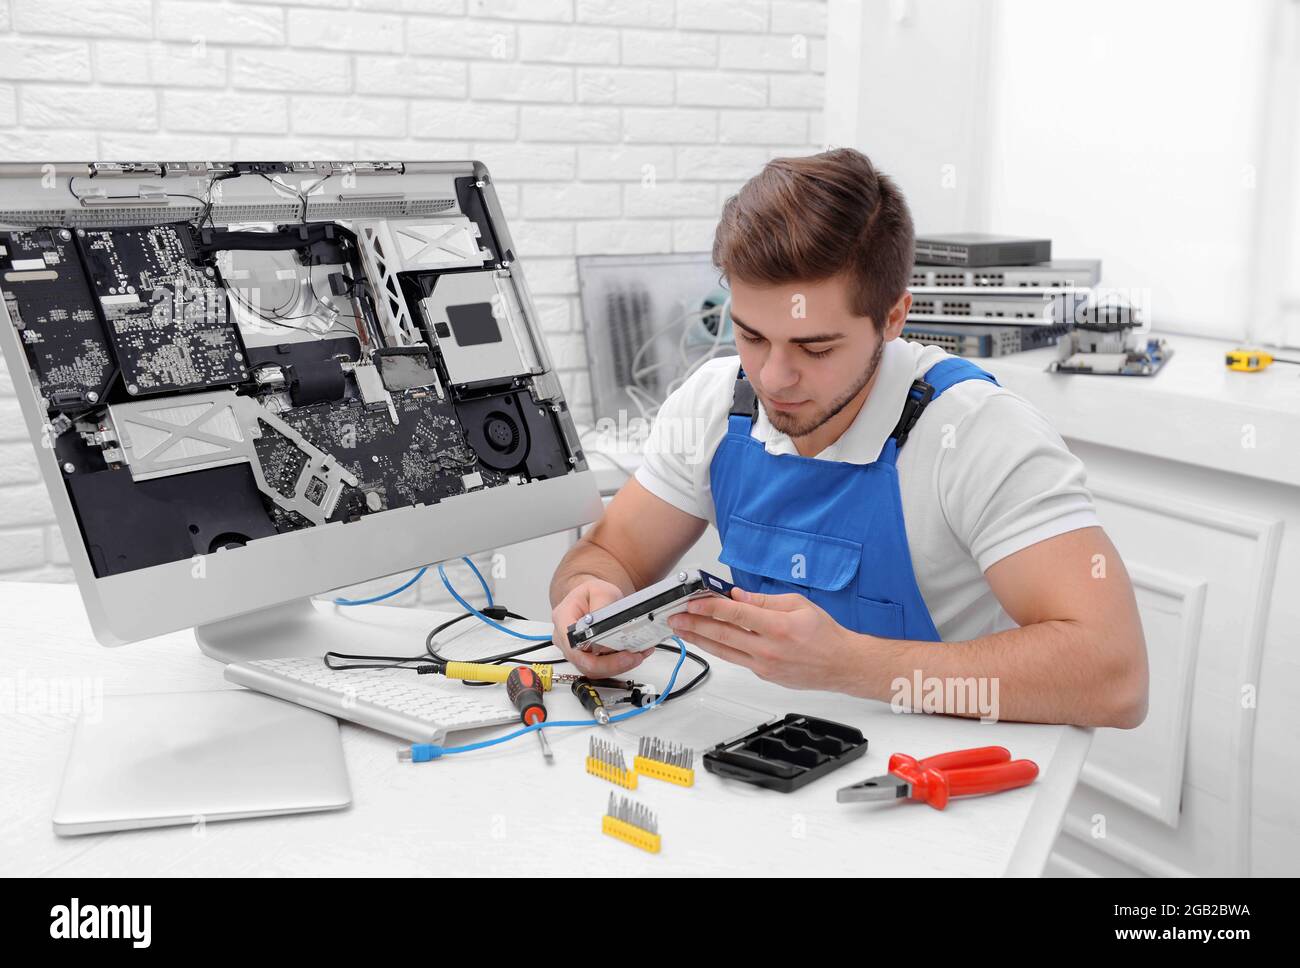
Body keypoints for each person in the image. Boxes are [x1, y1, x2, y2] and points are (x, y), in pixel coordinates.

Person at [549, 148, 1147, 727]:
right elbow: (609, 555)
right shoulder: (714, 401)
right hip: (757, 755)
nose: (773, 377)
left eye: (815, 347)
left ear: (893, 316)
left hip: (932, 789)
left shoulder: (975, 433)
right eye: (752, 336)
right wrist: (587, 600)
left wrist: (851, 665)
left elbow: (1114, 677)